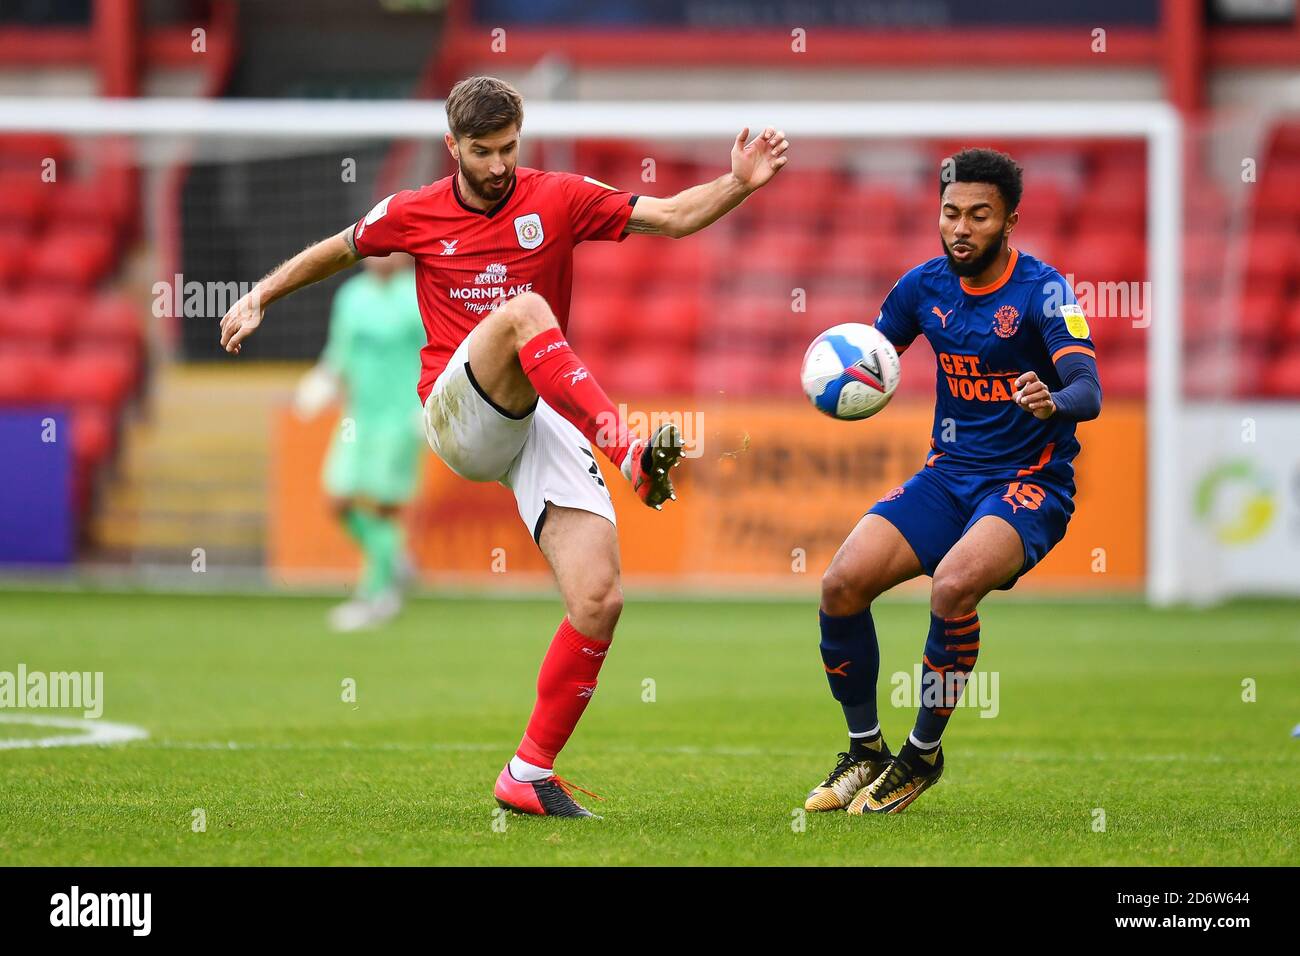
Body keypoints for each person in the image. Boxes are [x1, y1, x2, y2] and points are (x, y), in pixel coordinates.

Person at [220, 76, 789, 817]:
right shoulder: (415, 211)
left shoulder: (558, 196)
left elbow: (674, 216)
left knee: (599, 599)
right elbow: (338, 250)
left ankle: (527, 770)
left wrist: (738, 184)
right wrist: (260, 294)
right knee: (525, 309)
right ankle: (625, 450)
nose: (498, 165)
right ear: (452, 146)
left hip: (533, 414)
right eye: (482, 151)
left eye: (509, 148)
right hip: (456, 413)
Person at [804, 148, 1102, 815]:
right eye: (950, 213)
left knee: (955, 585)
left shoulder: (1045, 291)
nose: (961, 227)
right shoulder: (922, 289)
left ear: (1010, 220)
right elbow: (873, 357)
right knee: (840, 584)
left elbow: (1088, 387)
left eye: (979, 215)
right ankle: (865, 750)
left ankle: (921, 755)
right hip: (949, 474)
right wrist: (840, 381)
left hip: (1029, 482)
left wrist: (1052, 399)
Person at [293, 252, 426, 632]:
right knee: (337, 497)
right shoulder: (351, 296)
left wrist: (428, 406)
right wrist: (322, 381)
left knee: (385, 506)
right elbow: (340, 354)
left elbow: (438, 350)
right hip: (358, 418)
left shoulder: (418, 295)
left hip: (401, 419)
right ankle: (392, 557)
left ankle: (378, 595)